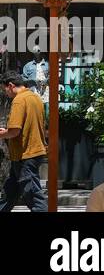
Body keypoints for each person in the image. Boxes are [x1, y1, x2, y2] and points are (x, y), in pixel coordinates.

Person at [0, 71, 47, 212]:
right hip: (32, 152)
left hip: (25, 155)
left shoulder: (19, 100)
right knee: (10, 193)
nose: (6, 94)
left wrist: (2, 134)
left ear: (10, 85)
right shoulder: (35, 98)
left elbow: (14, 130)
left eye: (4, 90)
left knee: (33, 196)